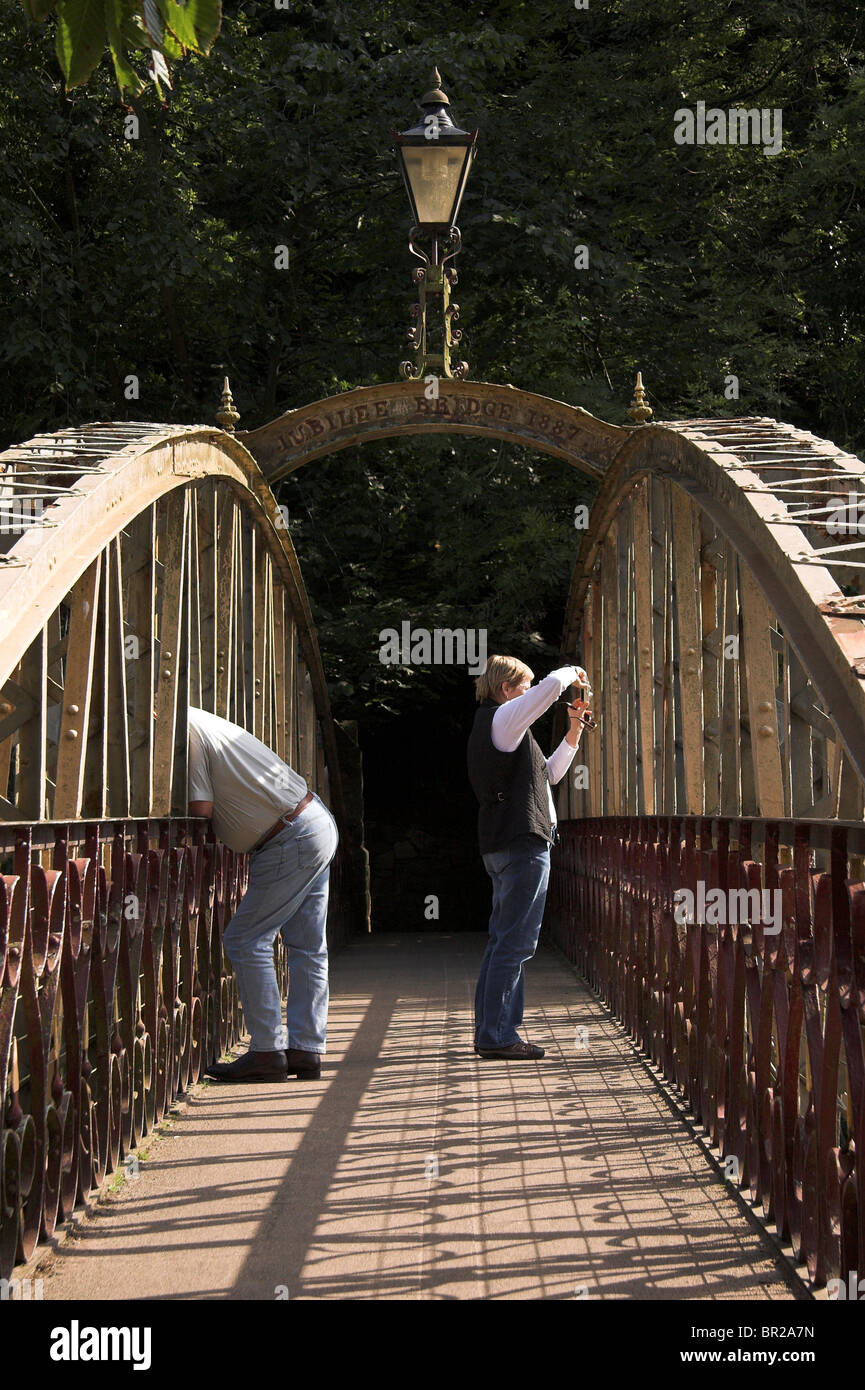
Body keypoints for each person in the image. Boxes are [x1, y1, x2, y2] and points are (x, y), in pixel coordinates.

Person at [187, 706, 339, 1082]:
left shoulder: (184, 731)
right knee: (306, 947)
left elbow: (200, 809)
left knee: (246, 938)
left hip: (288, 837)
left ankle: (267, 1052)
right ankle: (305, 1049)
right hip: (311, 820)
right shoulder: (202, 720)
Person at [467, 656, 591, 1060]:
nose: (530, 692)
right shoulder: (502, 719)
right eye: (524, 685)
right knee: (515, 943)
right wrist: (572, 671)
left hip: (505, 844)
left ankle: (491, 1029)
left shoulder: (506, 733)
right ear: (505, 688)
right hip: (523, 845)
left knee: (503, 941)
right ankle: (499, 1035)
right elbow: (548, 691)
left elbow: (549, 776)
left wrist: (573, 731)